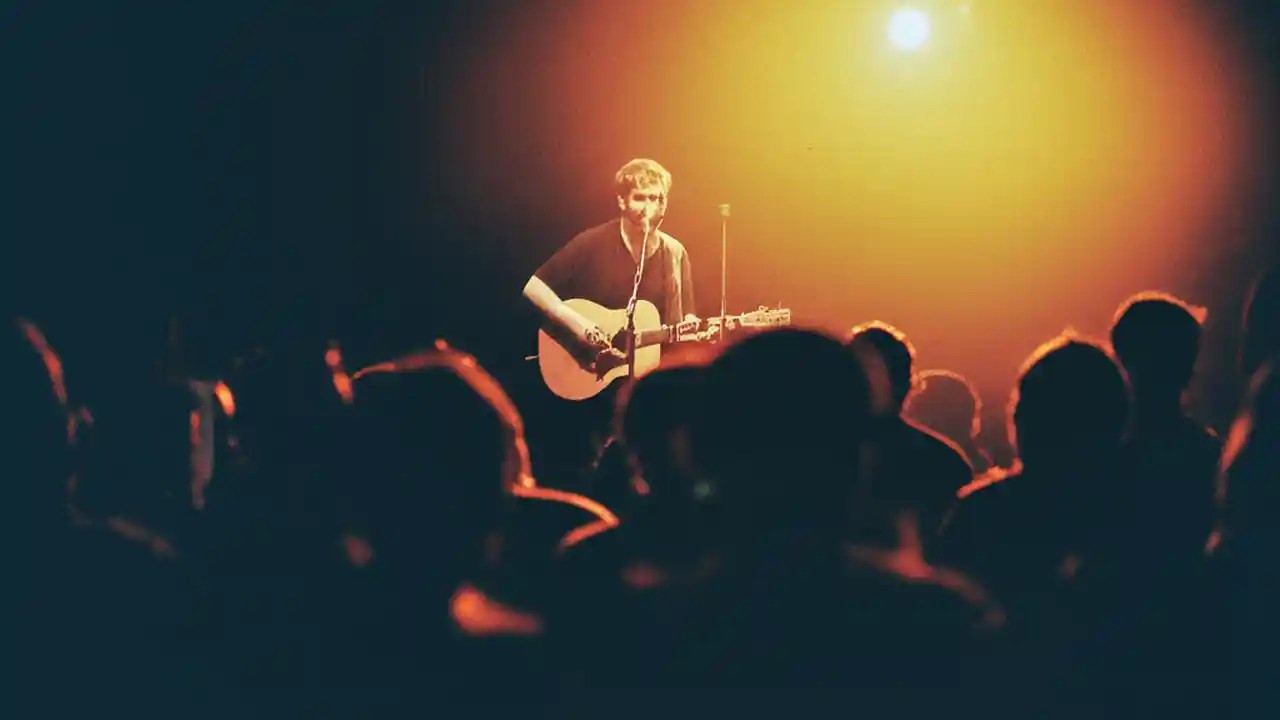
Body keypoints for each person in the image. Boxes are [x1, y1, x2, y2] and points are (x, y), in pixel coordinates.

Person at [523, 158, 698, 361]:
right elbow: (533, 285)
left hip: (645, 373)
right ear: (622, 201)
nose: (650, 207)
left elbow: (685, 320)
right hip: (590, 370)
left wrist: (693, 327)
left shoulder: (675, 253)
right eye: (640, 198)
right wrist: (579, 326)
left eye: (657, 198)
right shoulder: (592, 242)